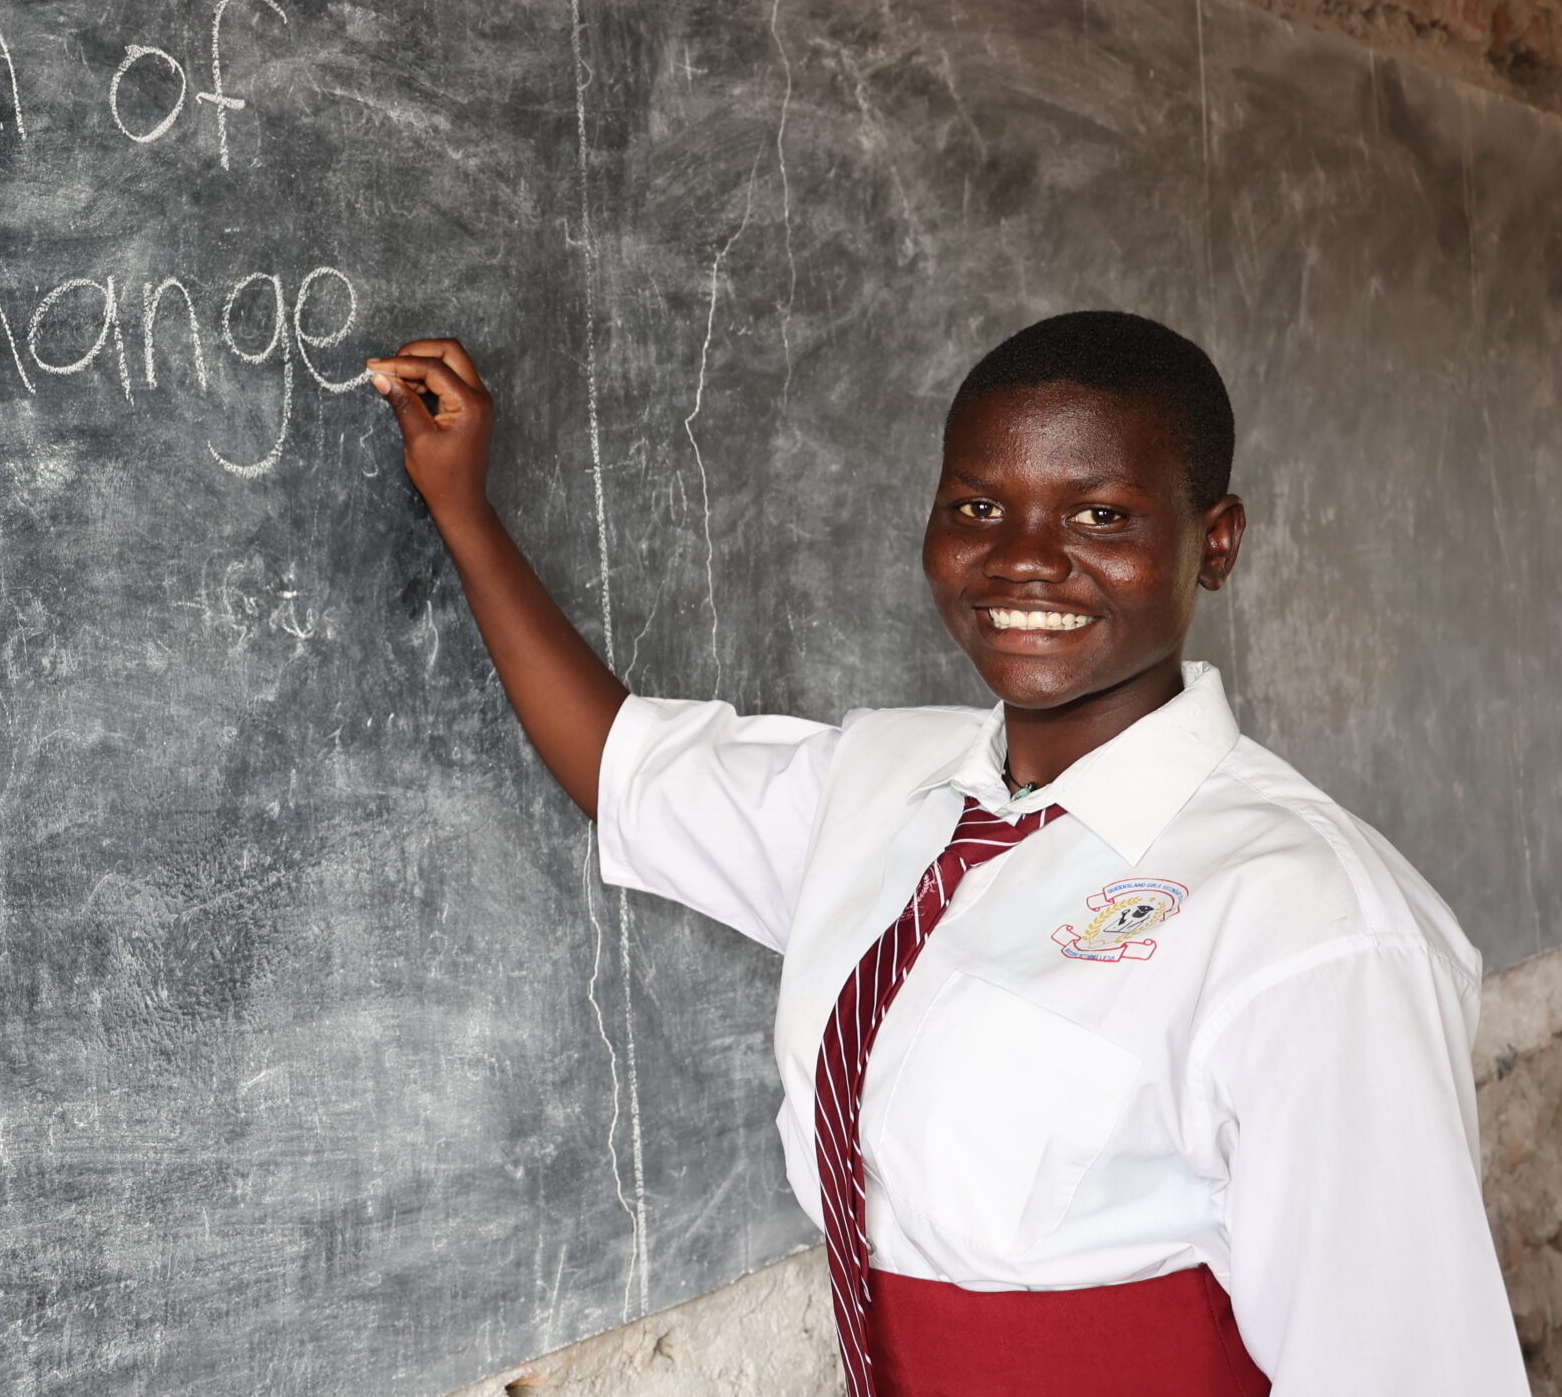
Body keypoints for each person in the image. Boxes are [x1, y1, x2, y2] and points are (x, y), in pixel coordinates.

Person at [364, 312, 1526, 1397]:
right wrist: (463, 508)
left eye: (1101, 516)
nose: (1024, 560)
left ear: (1213, 543)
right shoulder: (887, 783)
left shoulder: (1310, 920)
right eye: (977, 509)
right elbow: (627, 767)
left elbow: (1402, 1363)